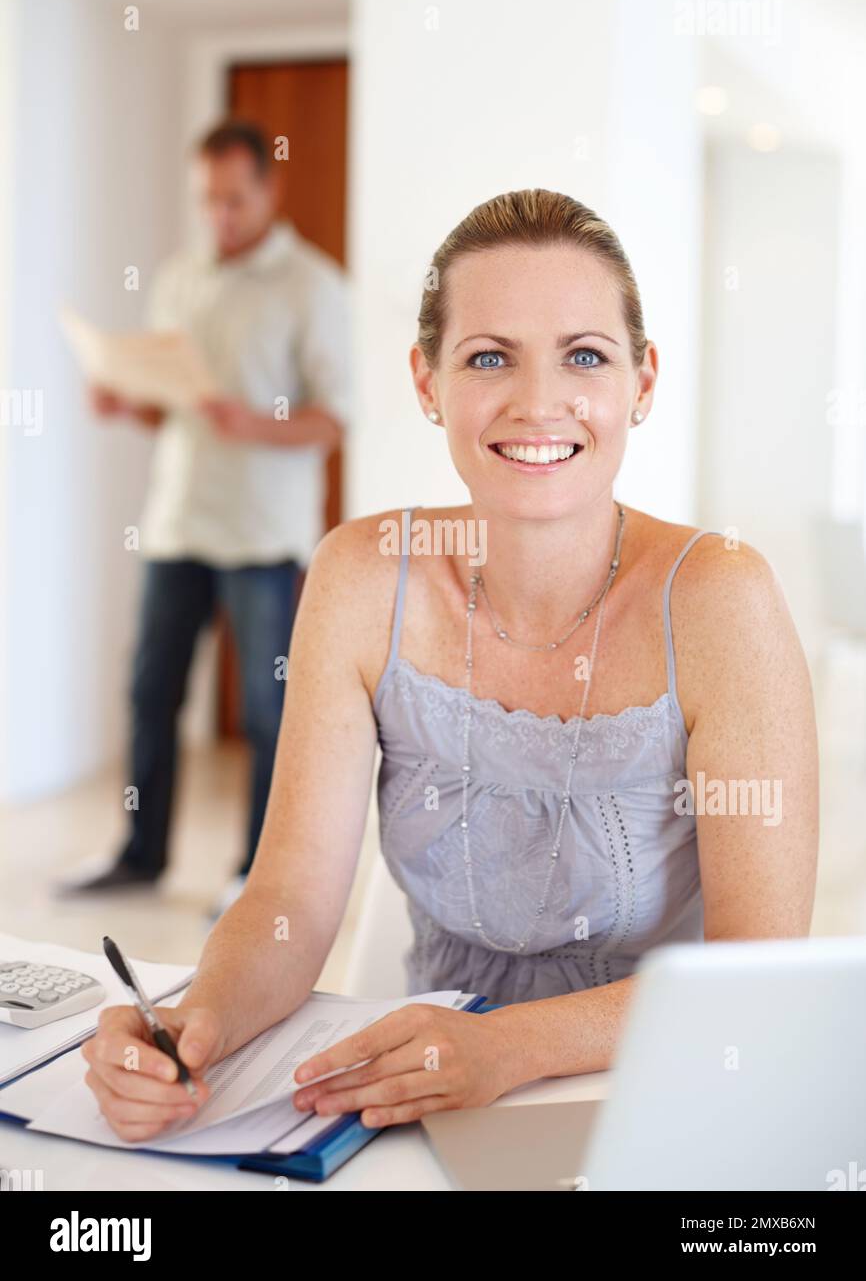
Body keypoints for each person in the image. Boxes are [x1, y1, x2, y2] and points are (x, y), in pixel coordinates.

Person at [82, 188, 818, 1140]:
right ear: (428, 383)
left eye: (585, 356)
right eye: (488, 358)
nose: (539, 402)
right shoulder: (358, 577)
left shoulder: (721, 598)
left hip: (662, 1090)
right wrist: (196, 1023)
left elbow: (755, 980)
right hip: (426, 1095)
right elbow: (289, 902)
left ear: (642, 381)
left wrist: (506, 1048)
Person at [60, 119, 352, 916]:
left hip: (264, 536)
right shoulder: (179, 278)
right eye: (206, 200)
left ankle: (255, 876)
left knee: (267, 712)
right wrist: (128, 402)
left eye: (233, 198)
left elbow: (335, 418)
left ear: (269, 188)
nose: (219, 215)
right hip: (176, 525)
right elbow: (171, 410)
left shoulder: (313, 287)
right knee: (149, 694)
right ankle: (138, 854)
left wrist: (254, 422)